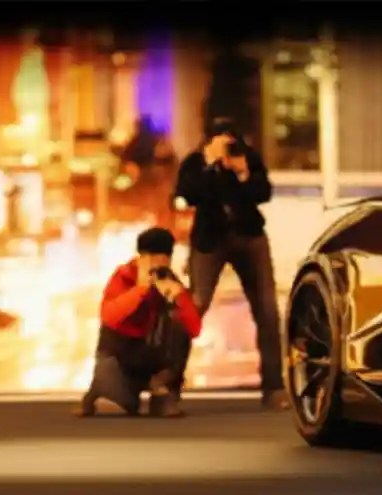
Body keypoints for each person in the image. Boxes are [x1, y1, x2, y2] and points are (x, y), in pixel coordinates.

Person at [173, 118, 289, 410]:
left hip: (249, 237)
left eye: (231, 139)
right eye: (220, 139)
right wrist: (210, 165)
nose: (226, 145)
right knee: (195, 306)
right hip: (210, 240)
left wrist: (243, 172)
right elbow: (187, 194)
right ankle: (170, 384)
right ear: (208, 141)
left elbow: (264, 193)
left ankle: (274, 388)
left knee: (267, 311)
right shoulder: (195, 162)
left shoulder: (247, 159)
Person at [76, 227, 202, 418]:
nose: (156, 265)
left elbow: (194, 329)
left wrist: (180, 299)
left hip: (154, 359)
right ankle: (104, 392)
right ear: (141, 257)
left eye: (162, 259)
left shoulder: (170, 281)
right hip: (120, 357)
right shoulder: (123, 276)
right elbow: (109, 315)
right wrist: (141, 289)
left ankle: (163, 388)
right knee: (113, 407)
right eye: (150, 258)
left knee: (179, 325)